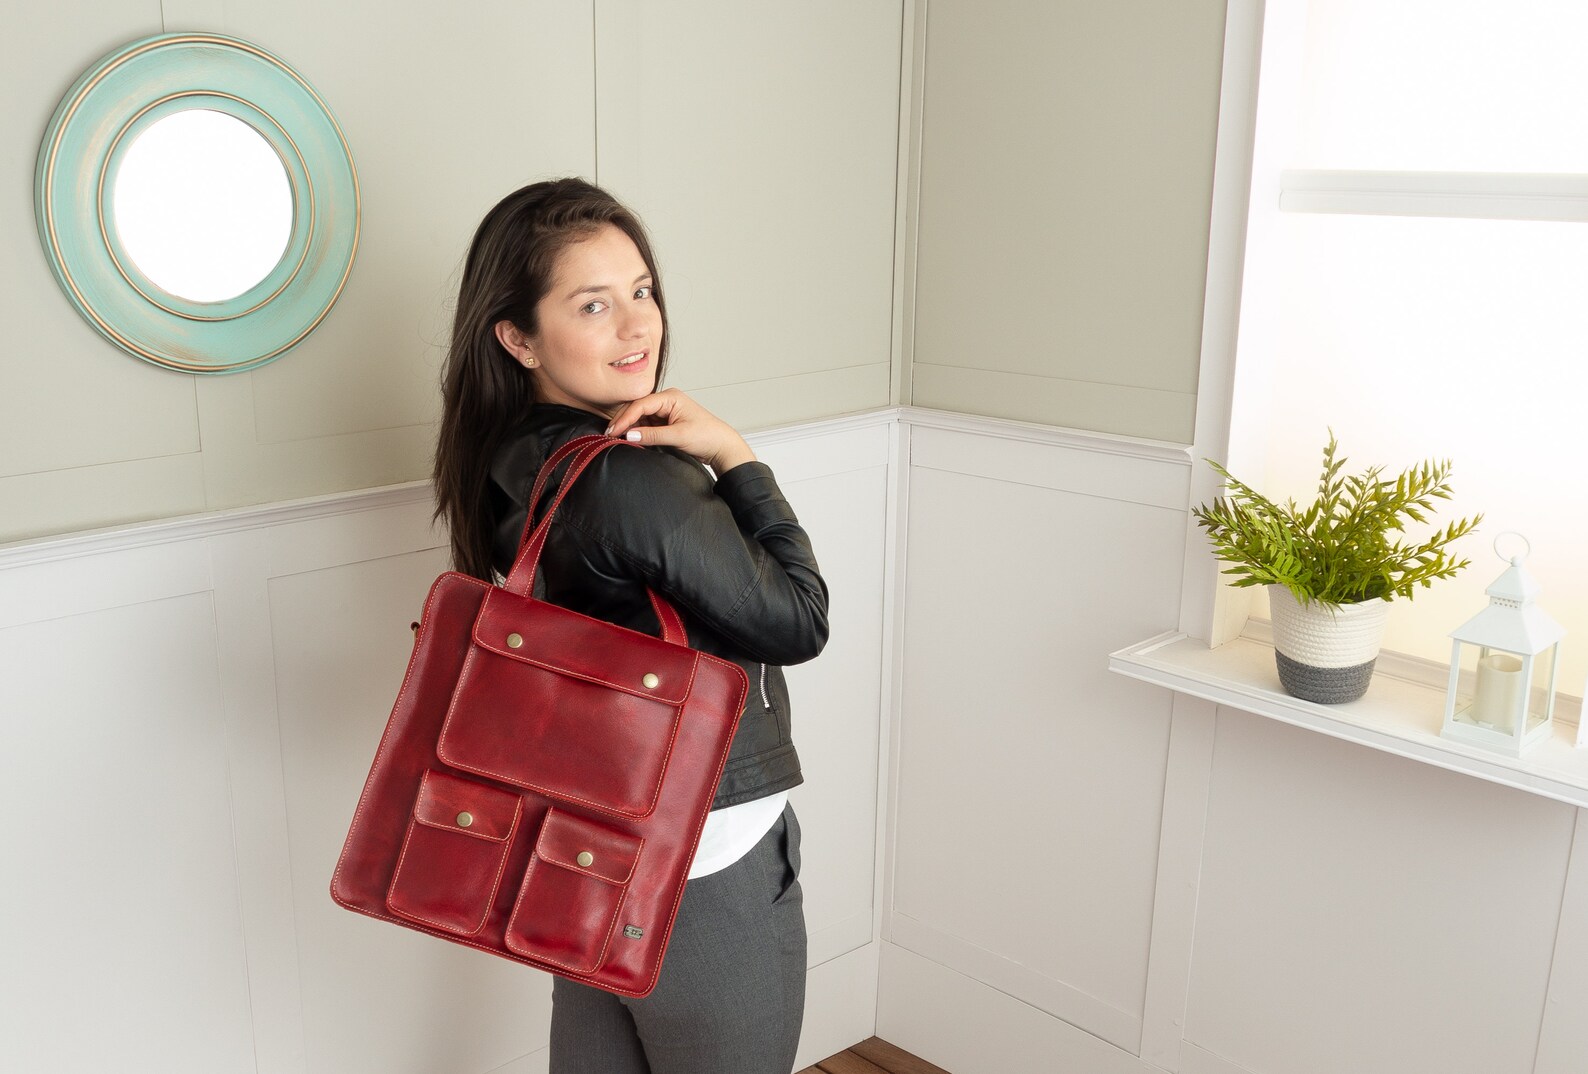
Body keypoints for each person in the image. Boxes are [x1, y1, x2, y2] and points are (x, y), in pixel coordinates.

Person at [432, 177, 829, 1074]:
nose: (637, 326)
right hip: (701, 859)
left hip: (584, 841)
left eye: (642, 291)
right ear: (517, 336)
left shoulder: (506, 460)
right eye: (594, 304)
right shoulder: (628, 478)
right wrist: (734, 453)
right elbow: (799, 618)